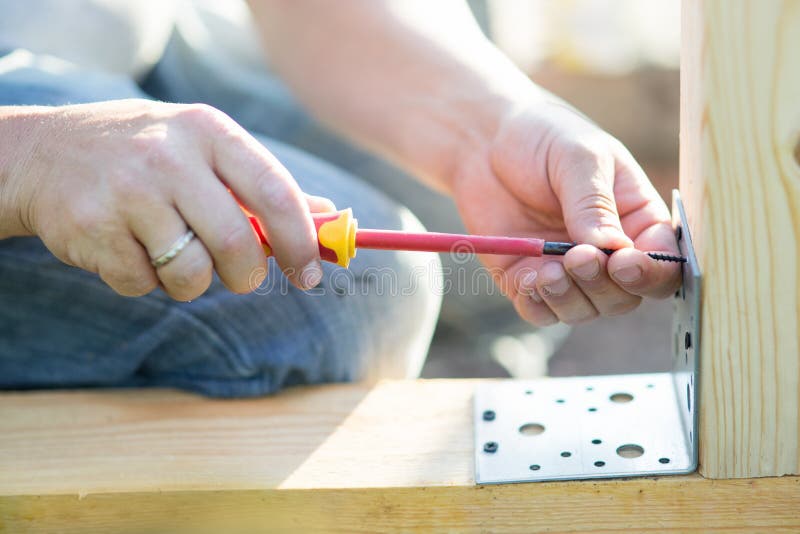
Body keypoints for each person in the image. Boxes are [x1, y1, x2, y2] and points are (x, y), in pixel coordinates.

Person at [0, 0, 680, 397]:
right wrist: (32, 160)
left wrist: (490, 128)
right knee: (360, 296)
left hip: (117, 26)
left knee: (493, 211)